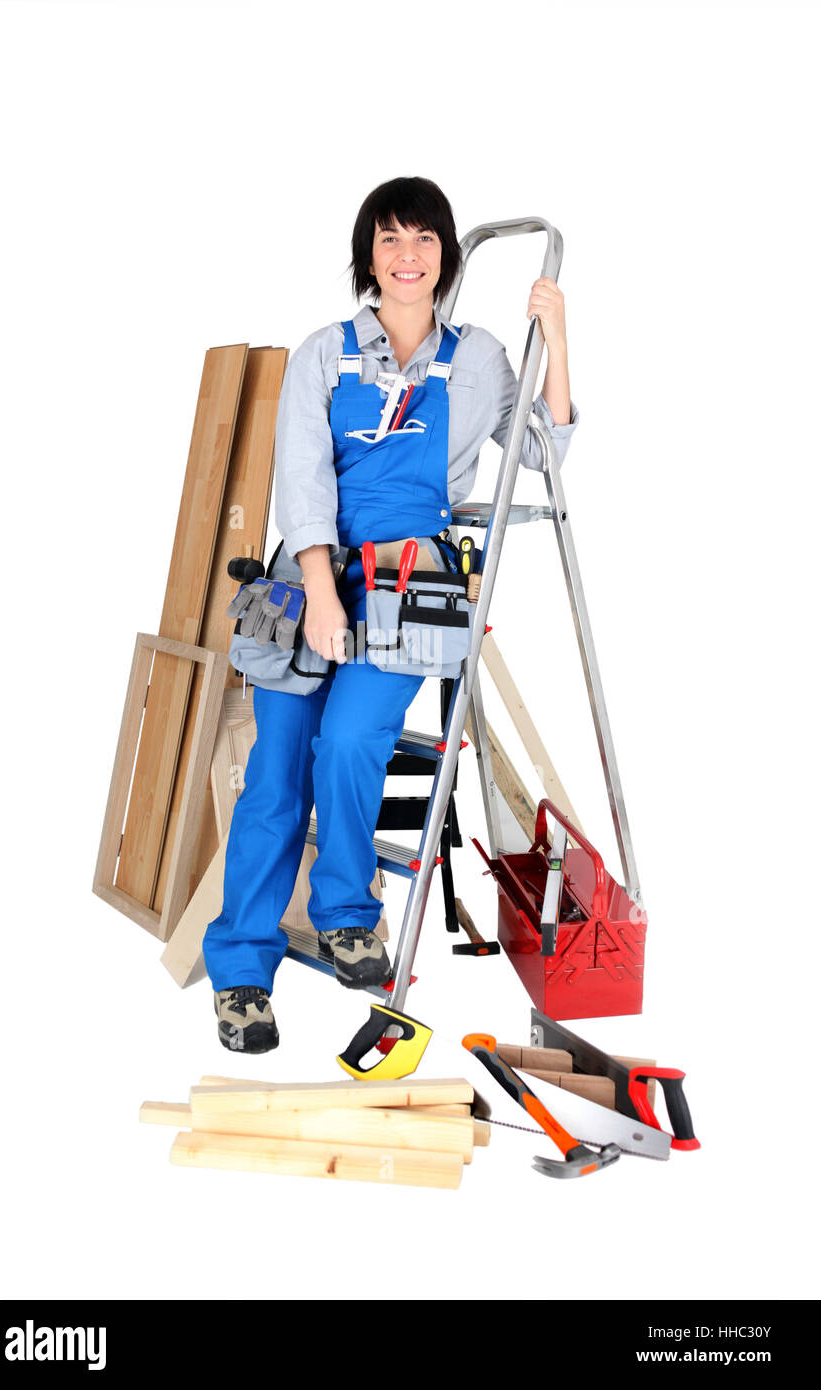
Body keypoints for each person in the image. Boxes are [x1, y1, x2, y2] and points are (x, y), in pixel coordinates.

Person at [202, 176, 579, 1053]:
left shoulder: (481, 359)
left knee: (354, 739)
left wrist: (557, 338)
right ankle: (243, 974)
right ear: (366, 257)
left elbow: (540, 449)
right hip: (311, 585)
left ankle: (343, 912)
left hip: (411, 594)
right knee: (276, 773)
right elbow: (301, 476)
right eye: (388, 240)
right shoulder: (325, 352)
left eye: (423, 241)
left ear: (445, 256)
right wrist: (324, 592)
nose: (406, 258)